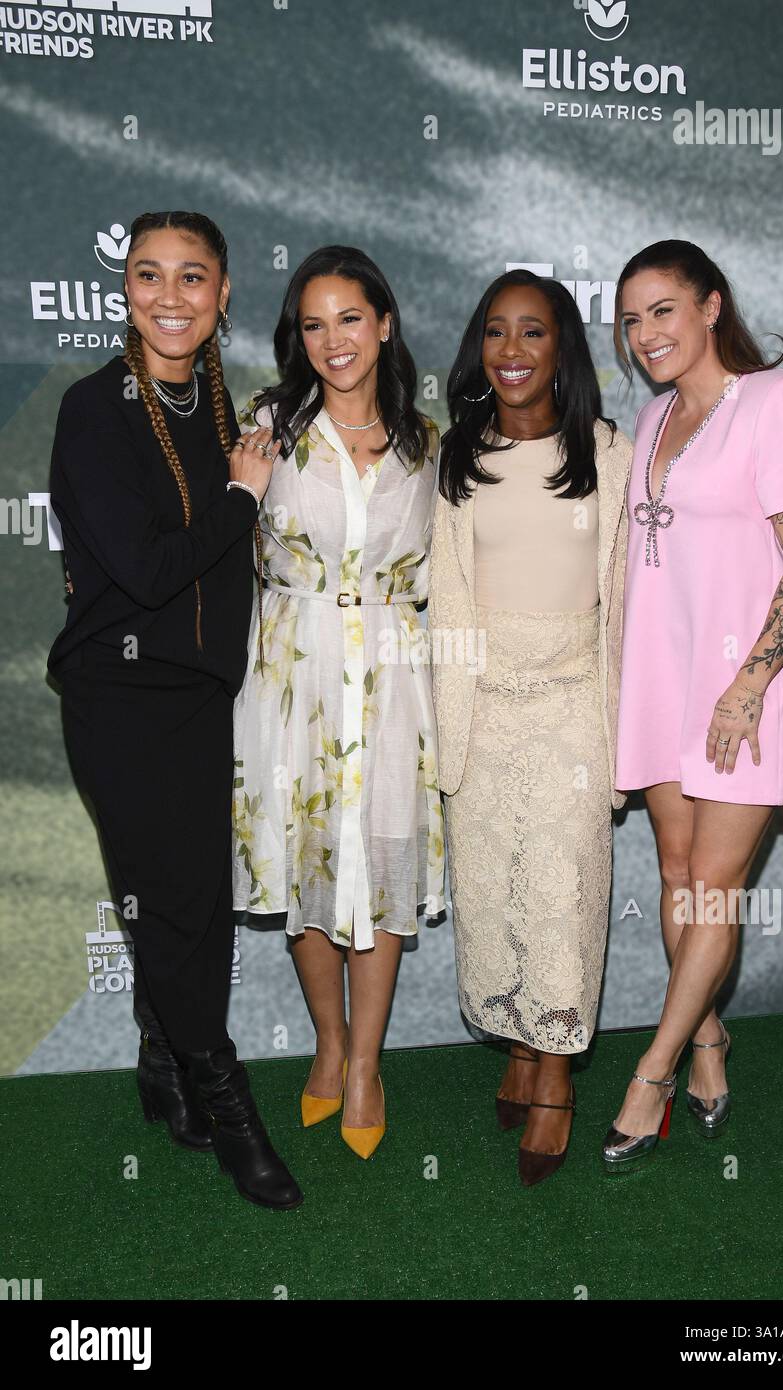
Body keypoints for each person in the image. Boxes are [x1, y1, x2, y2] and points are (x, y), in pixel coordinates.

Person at [48, 210, 302, 1211]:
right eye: (148, 275)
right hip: (119, 698)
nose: (169, 296)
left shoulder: (219, 404)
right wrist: (241, 499)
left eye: (191, 278)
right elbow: (151, 567)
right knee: (183, 901)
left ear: (224, 293)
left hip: (199, 693)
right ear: (124, 291)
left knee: (186, 892)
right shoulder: (91, 409)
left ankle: (164, 1063)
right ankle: (227, 1097)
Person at [606, 239, 783, 1169]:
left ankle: (651, 1068)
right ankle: (706, 1038)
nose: (644, 333)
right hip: (661, 677)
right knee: (674, 872)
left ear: (709, 306)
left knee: (713, 883)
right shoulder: (651, 416)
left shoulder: (780, 401)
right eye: (628, 319)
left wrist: (747, 686)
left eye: (662, 309)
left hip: (748, 684)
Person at [232, 246, 445, 1160]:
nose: (333, 341)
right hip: (290, 674)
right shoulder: (268, 426)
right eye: (312, 325)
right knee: (306, 867)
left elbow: (451, 575)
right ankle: (326, 1041)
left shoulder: (426, 443)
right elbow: (222, 535)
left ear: (384, 324)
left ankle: (367, 1062)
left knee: (380, 864)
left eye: (349, 319)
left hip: (393, 676)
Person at [429, 269, 632, 1186]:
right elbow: (449, 603)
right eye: (497, 333)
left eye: (534, 333)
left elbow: (625, 601)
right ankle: (516, 1038)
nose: (512, 352)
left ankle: (554, 1076)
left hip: (572, 711)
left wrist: (620, 741)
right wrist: (449, 730)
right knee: (490, 895)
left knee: (559, 894)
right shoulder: (458, 456)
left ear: (563, 349)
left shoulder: (610, 455)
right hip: (484, 709)